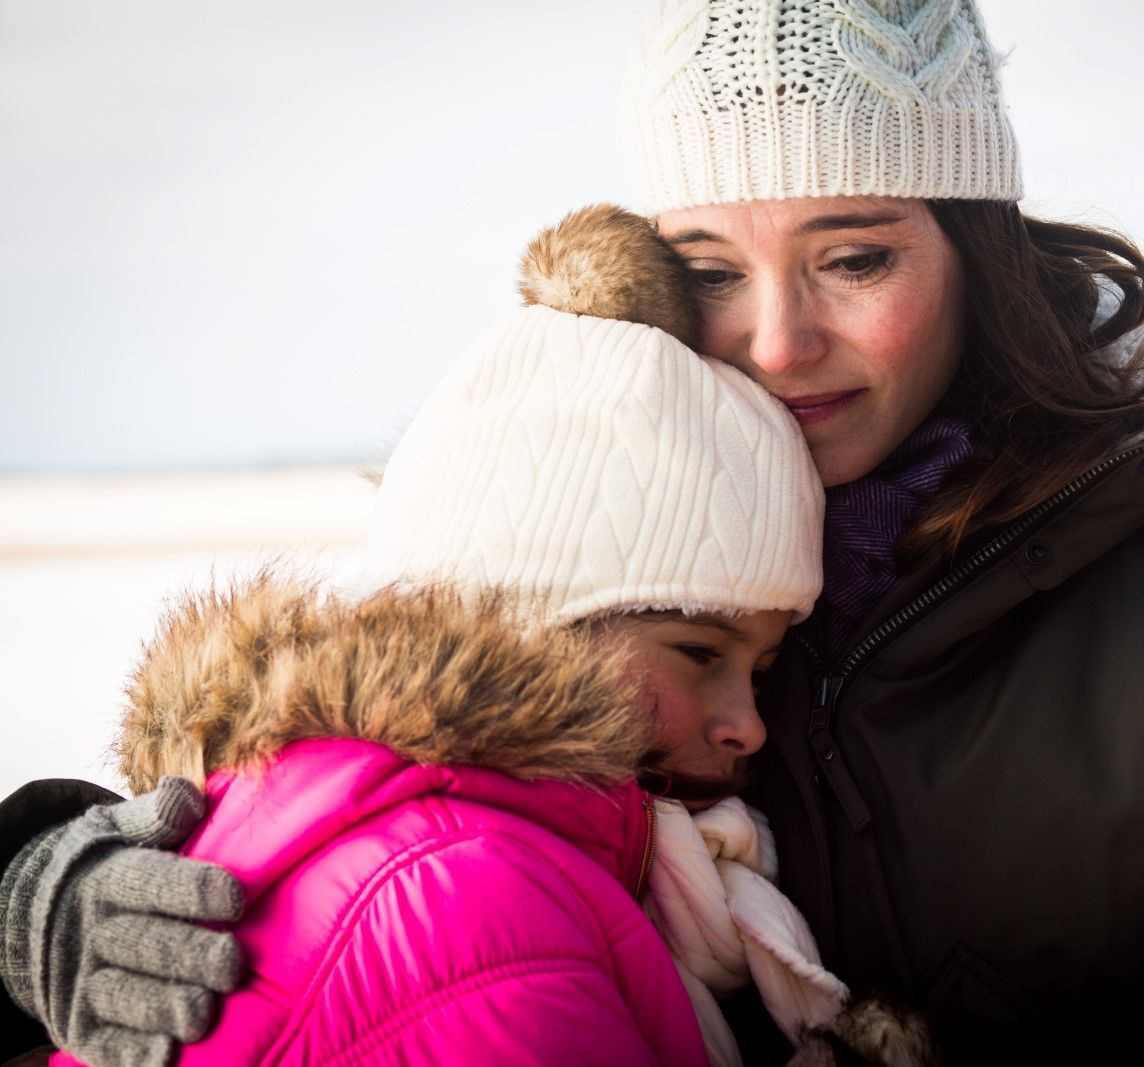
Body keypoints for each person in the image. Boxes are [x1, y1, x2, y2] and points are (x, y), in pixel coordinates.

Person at [2, 1, 1144, 1062]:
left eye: (855, 256)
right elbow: (341, 777)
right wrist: (34, 895)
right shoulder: (584, 498)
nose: (778, 340)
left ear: (977, 250)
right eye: (709, 268)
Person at [4, 208, 933, 1067]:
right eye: (700, 652)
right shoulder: (468, 891)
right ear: (531, 623)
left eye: (761, 670)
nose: (749, 724)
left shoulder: (492, 833)